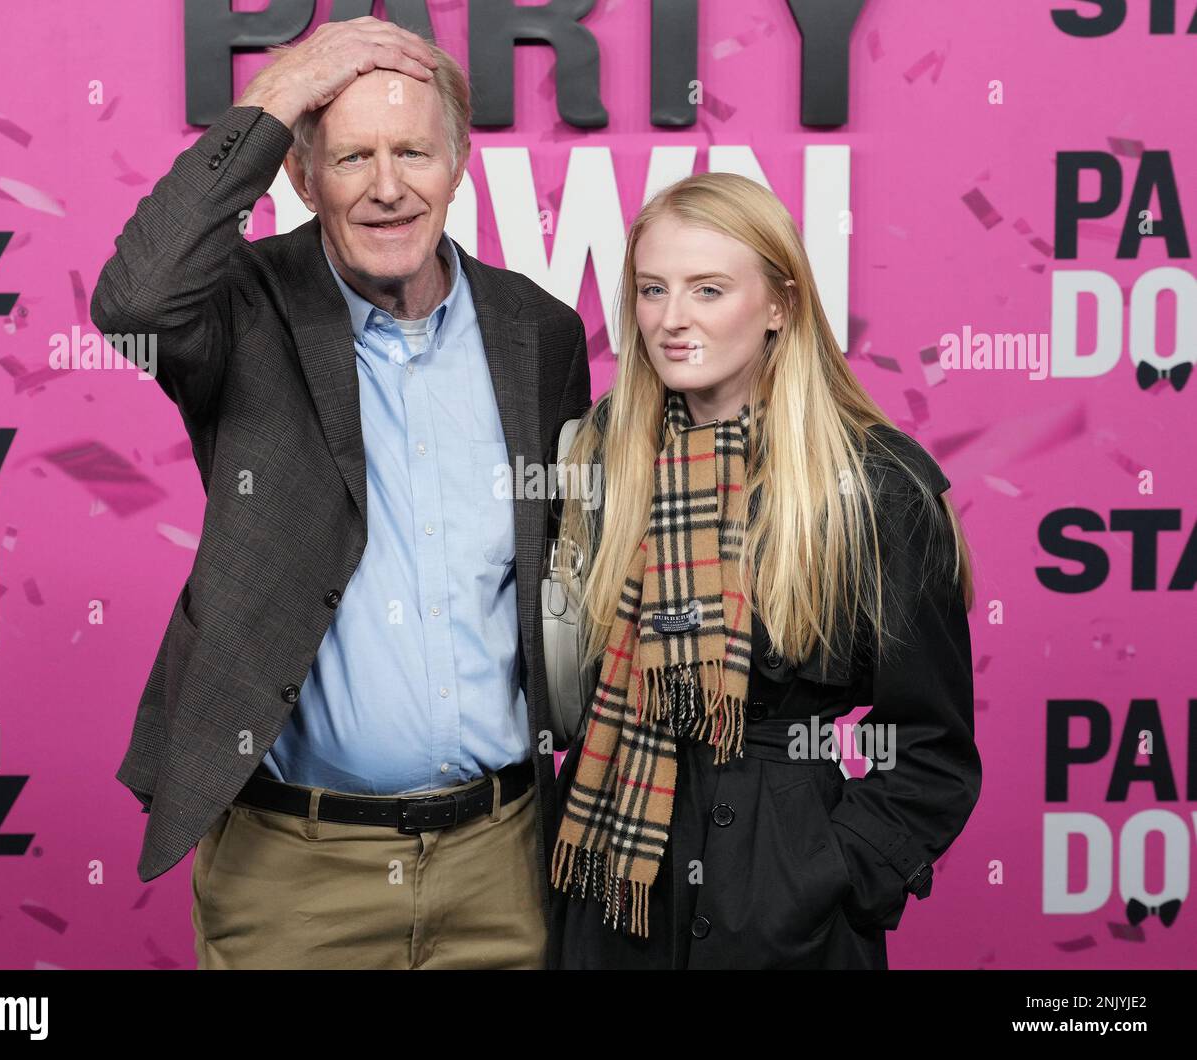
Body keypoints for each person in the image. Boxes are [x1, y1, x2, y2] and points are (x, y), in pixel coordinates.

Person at [90, 17, 591, 969]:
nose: (387, 187)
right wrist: (284, 89)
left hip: (504, 865)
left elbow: (565, 574)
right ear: (300, 174)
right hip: (294, 875)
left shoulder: (540, 333)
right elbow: (134, 302)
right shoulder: (244, 307)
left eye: (414, 152)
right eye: (353, 157)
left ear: (458, 165)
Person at [547, 171, 982, 969]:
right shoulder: (603, 456)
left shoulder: (875, 484)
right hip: (612, 888)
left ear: (780, 305)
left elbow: (931, 747)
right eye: (652, 289)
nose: (671, 319)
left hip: (785, 899)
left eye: (708, 290)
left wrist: (831, 873)